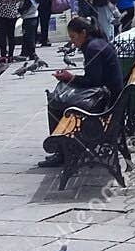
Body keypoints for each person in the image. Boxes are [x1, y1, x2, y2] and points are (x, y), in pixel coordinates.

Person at [37, 17, 122, 169]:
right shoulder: (97, 43)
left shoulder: (93, 48)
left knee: (55, 104)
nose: (72, 42)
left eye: (73, 37)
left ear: (83, 33)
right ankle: (64, 148)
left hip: (105, 103)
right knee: (60, 98)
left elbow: (93, 81)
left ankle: (62, 152)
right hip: (111, 98)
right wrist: (71, 78)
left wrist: (71, 77)